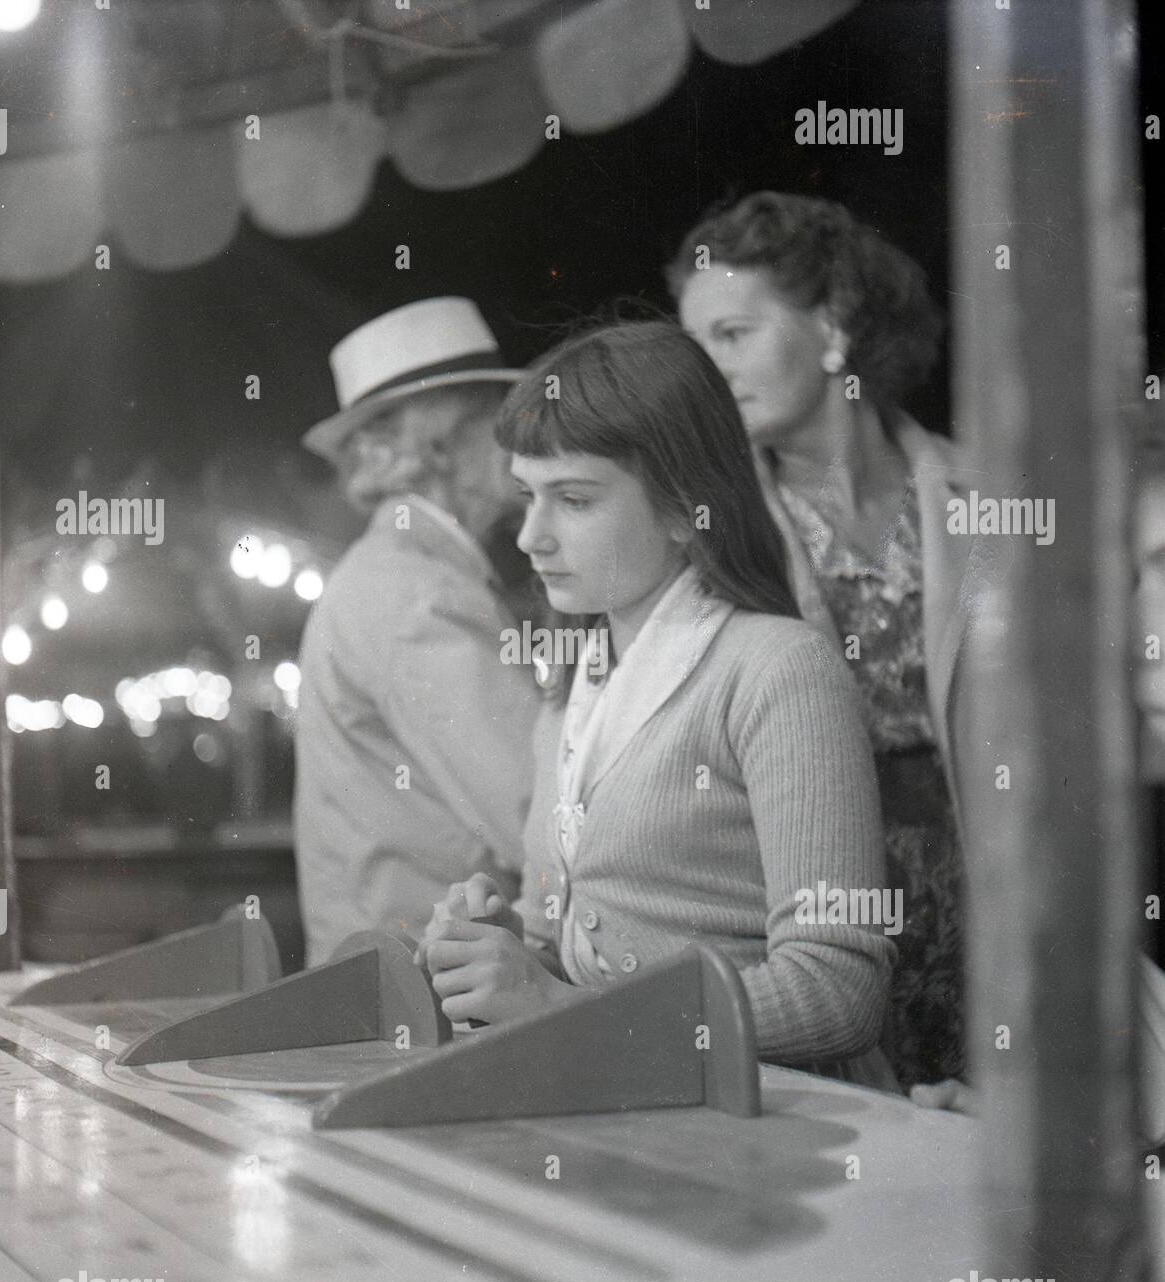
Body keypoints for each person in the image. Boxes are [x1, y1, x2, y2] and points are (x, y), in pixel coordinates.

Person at [418, 320, 897, 1083]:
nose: (529, 539)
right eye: (526, 498)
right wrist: (506, 946)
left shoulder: (778, 670)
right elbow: (565, 946)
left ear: (686, 509)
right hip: (625, 1106)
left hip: (776, 1129)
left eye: (573, 499)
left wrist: (556, 1007)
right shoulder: (571, 683)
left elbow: (837, 993)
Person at [671, 192, 988, 1092]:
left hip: (1005, 915)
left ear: (835, 324)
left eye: (732, 334)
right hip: (824, 923)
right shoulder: (711, 536)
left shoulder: (985, 495)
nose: (708, 370)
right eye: (695, 348)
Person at [295, 298, 541, 966]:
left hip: (392, 992)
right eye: (496, 420)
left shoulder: (397, 572)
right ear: (436, 444)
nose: (519, 443)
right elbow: (534, 816)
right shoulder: (417, 589)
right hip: (425, 1006)